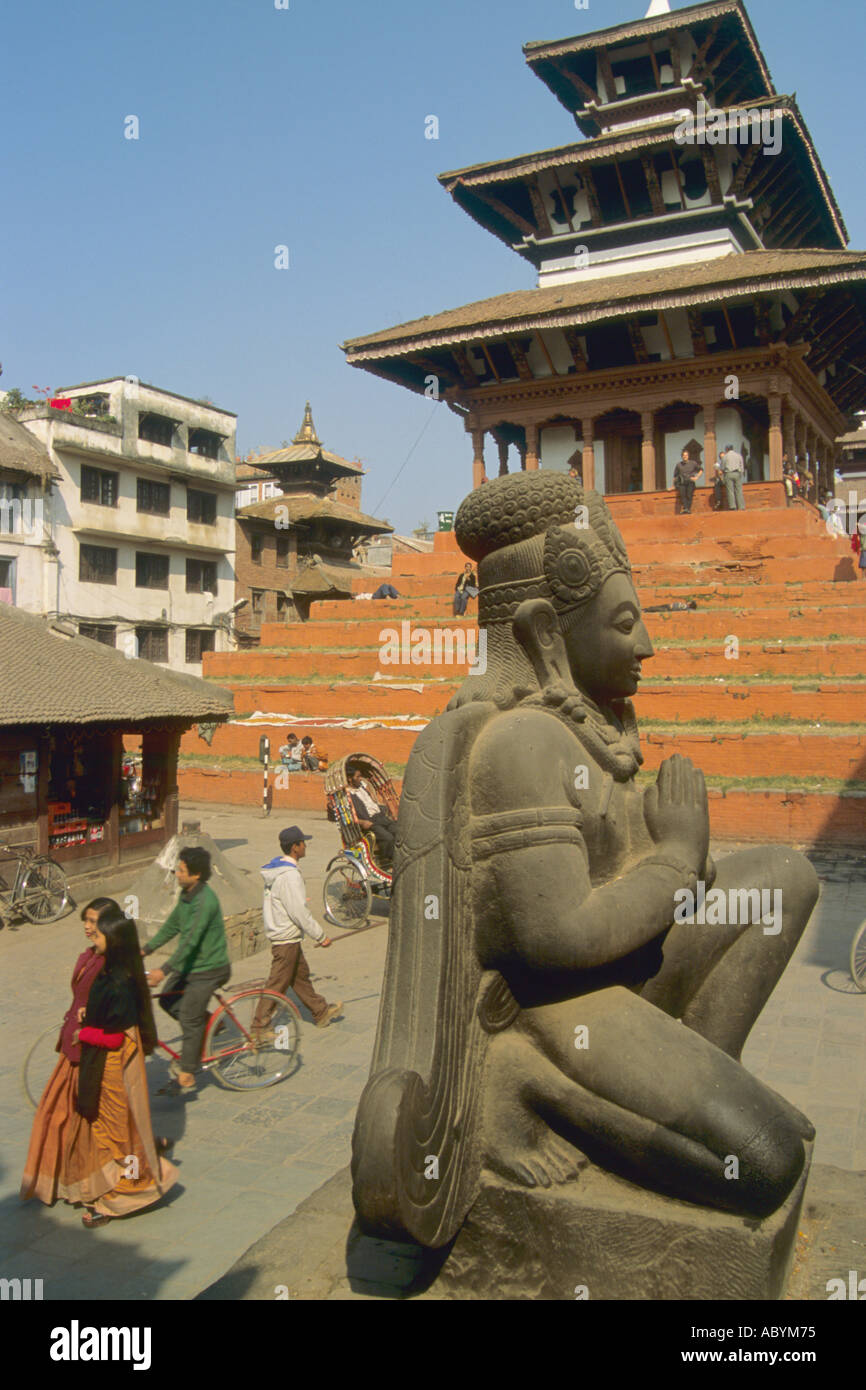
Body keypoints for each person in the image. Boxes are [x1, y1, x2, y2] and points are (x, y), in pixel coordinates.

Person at [22, 903, 178, 1227]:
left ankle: (131, 1190)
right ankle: (100, 1185)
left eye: (97, 925)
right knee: (105, 1128)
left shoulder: (116, 977)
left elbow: (115, 1037)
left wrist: (85, 1031)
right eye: (89, 921)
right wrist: (87, 1018)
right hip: (97, 1058)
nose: (90, 929)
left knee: (117, 1133)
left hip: (108, 1060)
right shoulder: (107, 967)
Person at [142, 847, 230, 1093]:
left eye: (181, 870)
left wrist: (163, 970)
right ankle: (209, 1023)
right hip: (191, 966)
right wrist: (146, 950)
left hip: (210, 968)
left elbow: (191, 941)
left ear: (196, 875)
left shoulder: (205, 901)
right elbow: (172, 926)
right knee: (167, 1002)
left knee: (190, 1018)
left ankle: (188, 1073)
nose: (176, 874)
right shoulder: (187, 894)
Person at [254, 827, 343, 1034]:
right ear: (295, 848)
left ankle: (320, 1012)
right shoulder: (289, 876)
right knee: (277, 982)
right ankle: (259, 1025)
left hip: (286, 935)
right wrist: (320, 936)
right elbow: (299, 912)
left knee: (300, 977)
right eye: (303, 842)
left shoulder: (278, 870)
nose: (305, 846)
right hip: (285, 938)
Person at [348, 764, 398, 864]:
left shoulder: (363, 787)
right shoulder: (347, 794)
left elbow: (374, 801)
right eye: (357, 777)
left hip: (380, 816)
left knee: (399, 831)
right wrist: (362, 822)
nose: (360, 779)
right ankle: (385, 859)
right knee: (388, 838)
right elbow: (348, 816)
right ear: (350, 779)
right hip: (369, 821)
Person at [672, 448, 702, 514]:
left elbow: (700, 470)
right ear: (682, 456)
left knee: (689, 495)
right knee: (683, 496)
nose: (685, 456)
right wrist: (673, 486)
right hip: (682, 482)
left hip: (690, 482)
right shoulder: (678, 465)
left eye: (686, 455)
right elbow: (675, 476)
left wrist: (697, 477)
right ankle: (686, 508)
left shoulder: (693, 463)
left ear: (688, 456)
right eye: (684, 455)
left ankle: (687, 509)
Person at [722, 444, 746, 510]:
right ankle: (741, 506)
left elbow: (723, 467)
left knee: (730, 491)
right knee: (739, 490)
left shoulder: (725, 456)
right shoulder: (738, 455)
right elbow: (742, 465)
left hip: (729, 473)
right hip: (737, 473)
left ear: (727, 449)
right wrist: (741, 473)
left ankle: (732, 506)